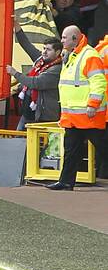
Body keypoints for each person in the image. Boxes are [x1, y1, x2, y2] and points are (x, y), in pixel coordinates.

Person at [47, 25, 106, 191]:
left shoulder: (89, 56)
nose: (62, 40)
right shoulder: (73, 55)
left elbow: (99, 83)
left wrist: (93, 105)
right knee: (71, 150)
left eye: (65, 38)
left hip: (88, 114)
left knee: (103, 148)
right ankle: (65, 182)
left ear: (75, 38)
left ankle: (65, 182)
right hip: (74, 116)